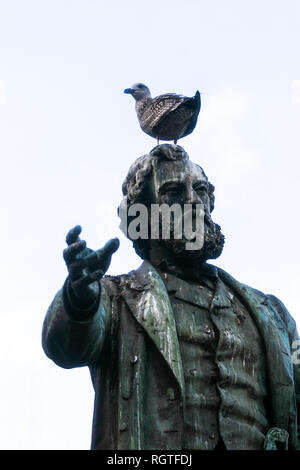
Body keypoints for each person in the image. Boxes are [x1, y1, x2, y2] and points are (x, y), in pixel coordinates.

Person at [42, 144, 300, 450]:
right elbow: (65, 346)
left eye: (201, 190)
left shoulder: (271, 312)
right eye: (174, 192)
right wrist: (79, 295)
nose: (194, 202)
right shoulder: (116, 298)